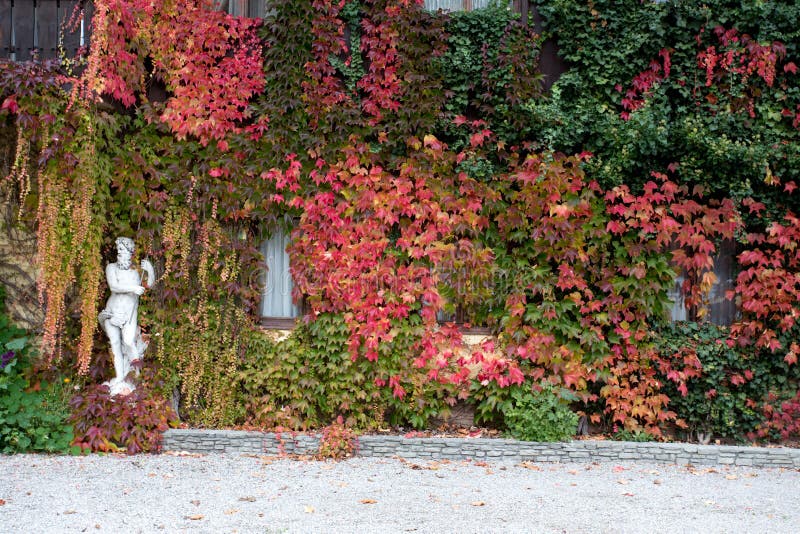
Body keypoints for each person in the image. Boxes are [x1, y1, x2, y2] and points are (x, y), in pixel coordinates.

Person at [98, 237, 153, 395]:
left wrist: (150, 271)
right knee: (115, 344)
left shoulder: (135, 273)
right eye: (119, 249)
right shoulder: (111, 268)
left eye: (123, 249)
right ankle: (120, 377)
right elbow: (114, 286)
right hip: (112, 311)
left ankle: (137, 376)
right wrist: (133, 288)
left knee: (129, 342)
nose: (120, 252)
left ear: (130, 253)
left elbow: (147, 286)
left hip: (129, 313)